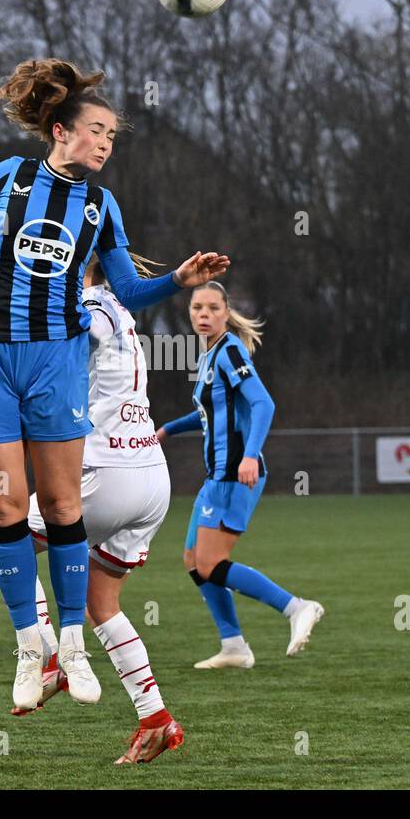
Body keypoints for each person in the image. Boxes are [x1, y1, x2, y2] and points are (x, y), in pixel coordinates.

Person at [0, 58, 228, 711]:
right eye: (97, 130)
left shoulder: (101, 207)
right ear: (60, 131)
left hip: (55, 364)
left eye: (113, 135)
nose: (106, 142)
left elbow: (131, 290)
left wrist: (180, 280)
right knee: (4, 510)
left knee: (61, 511)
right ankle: (33, 649)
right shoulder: (11, 177)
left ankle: (74, 649)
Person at [0, 254, 183, 764]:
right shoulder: (116, 303)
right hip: (150, 476)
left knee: (4, 546)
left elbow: (63, 349)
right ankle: (155, 718)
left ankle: (51, 657)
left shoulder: (79, 305)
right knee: (103, 604)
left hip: (105, 473)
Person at [156, 281, 323, 667]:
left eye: (213, 308)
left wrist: (249, 456)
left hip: (235, 474)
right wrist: (166, 429)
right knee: (193, 559)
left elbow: (263, 403)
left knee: (211, 563)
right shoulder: (208, 356)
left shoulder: (229, 350)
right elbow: (206, 413)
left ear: (226, 313)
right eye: (197, 307)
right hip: (216, 475)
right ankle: (233, 646)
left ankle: (297, 607)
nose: (203, 314)